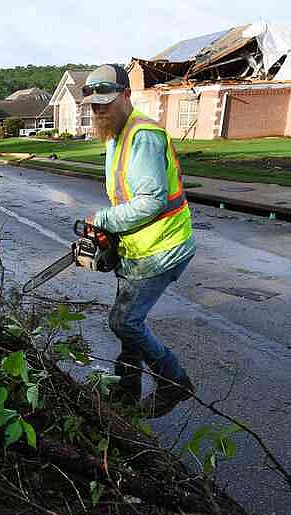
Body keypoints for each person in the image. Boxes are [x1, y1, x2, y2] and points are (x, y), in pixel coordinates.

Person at [81, 64, 196, 418]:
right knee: (125, 320)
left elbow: (151, 201)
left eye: (106, 101)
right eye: (94, 104)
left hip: (161, 246)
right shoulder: (117, 133)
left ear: (126, 96)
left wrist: (101, 219)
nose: (99, 109)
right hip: (137, 247)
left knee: (125, 321)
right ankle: (125, 391)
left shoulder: (142, 135)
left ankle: (174, 382)